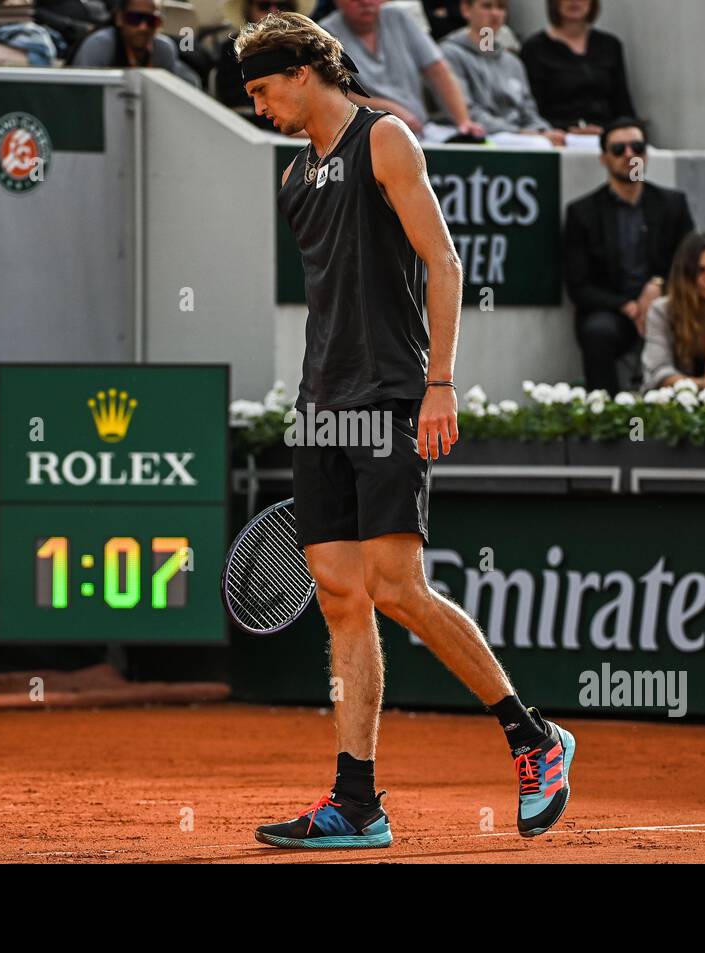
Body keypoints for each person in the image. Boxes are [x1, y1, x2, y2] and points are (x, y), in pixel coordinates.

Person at [237, 11, 575, 847]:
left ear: (304, 74)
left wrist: (439, 383)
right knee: (343, 600)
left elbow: (444, 261)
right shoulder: (292, 178)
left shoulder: (385, 142)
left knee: (396, 587)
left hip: (391, 394)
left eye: (263, 88)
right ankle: (357, 803)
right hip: (320, 408)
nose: (259, 106)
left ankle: (534, 737)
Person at [562, 118, 696, 392]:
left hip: (669, 304)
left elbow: (690, 261)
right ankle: (605, 414)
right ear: (603, 158)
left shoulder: (672, 204)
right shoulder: (583, 212)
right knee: (598, 332)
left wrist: (658, 286)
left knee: (696, 322)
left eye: (637, 147)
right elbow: (579, 287)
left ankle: (691, 409)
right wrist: (629, 306)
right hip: (614, 311)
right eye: (619, 149)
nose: (629, 155)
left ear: (646, 154)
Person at [319, 0, 485, 139]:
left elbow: (437, 70)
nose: (366, 2)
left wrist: (463, 121)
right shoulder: (325, 35)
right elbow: (333, 95)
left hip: (421, 131)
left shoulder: (399, 17)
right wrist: (385, 109)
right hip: (364, 135)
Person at [438, 0, 559, 142]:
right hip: (477, 137)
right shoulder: (449, 54)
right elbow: (466, 112)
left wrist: (544, 130)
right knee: (540, 144)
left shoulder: (513, 62)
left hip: (519, 135)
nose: (495, 13)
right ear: (466, 9)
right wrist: (520, 132)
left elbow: (528, 110)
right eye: (486, 6)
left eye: (501, 7)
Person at [641, 232, 705, 392]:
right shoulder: (662, 311)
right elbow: (658, 373)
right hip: (675, 406)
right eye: (701, 270)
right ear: (685, 275)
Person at [519, 0, 633, 141]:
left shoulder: (610, 45)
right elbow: (532, 109)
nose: (574, 1)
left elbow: (623, 105)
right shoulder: (534, 49)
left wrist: (611, 131)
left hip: (607, 136)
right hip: (557, 136)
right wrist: (570, 130)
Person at [217, 0, 317, 130]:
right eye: (264, 5)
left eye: (283, 6)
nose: (274, 13)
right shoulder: (233, 52)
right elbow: (246, 112)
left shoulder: (312, 48)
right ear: (248, 12)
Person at [72, 0, 199, 83]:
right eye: (134, 18)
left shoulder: (164, 50)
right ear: (119, 19)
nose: (143, 27)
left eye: (151, 20)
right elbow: (83, 99)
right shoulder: (98, 46)